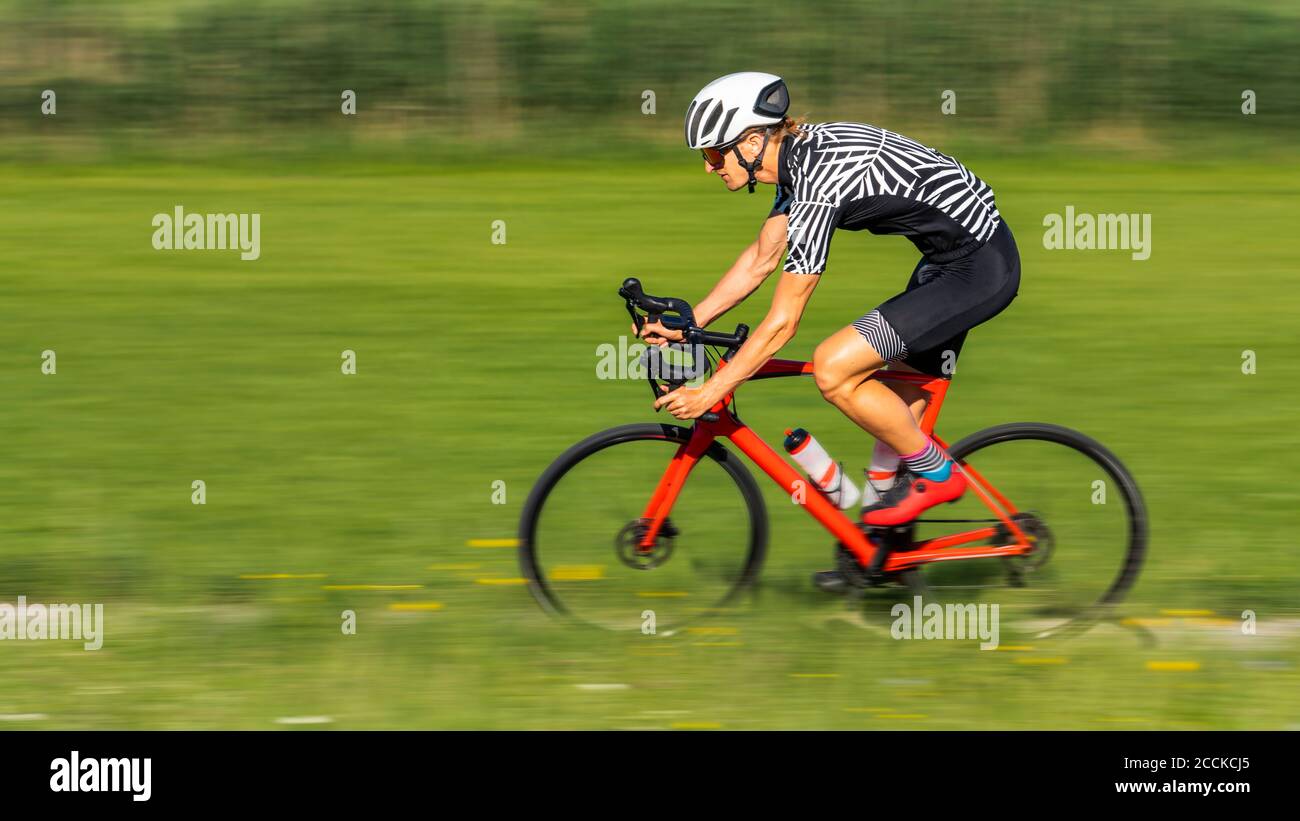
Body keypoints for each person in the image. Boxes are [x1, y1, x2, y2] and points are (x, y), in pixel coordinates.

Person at [646, 72, 1021, 591]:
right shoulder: (798, 163)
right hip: (946, 263)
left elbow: (783, 322)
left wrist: (714, 388)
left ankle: (940, 476)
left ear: (753, 142)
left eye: (714, 154)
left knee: (834, 366)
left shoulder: (819, 185)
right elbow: (761, 259)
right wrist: (690, 324)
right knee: (894, 404)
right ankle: (880, 556)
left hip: (978, 269)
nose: (710, 167)